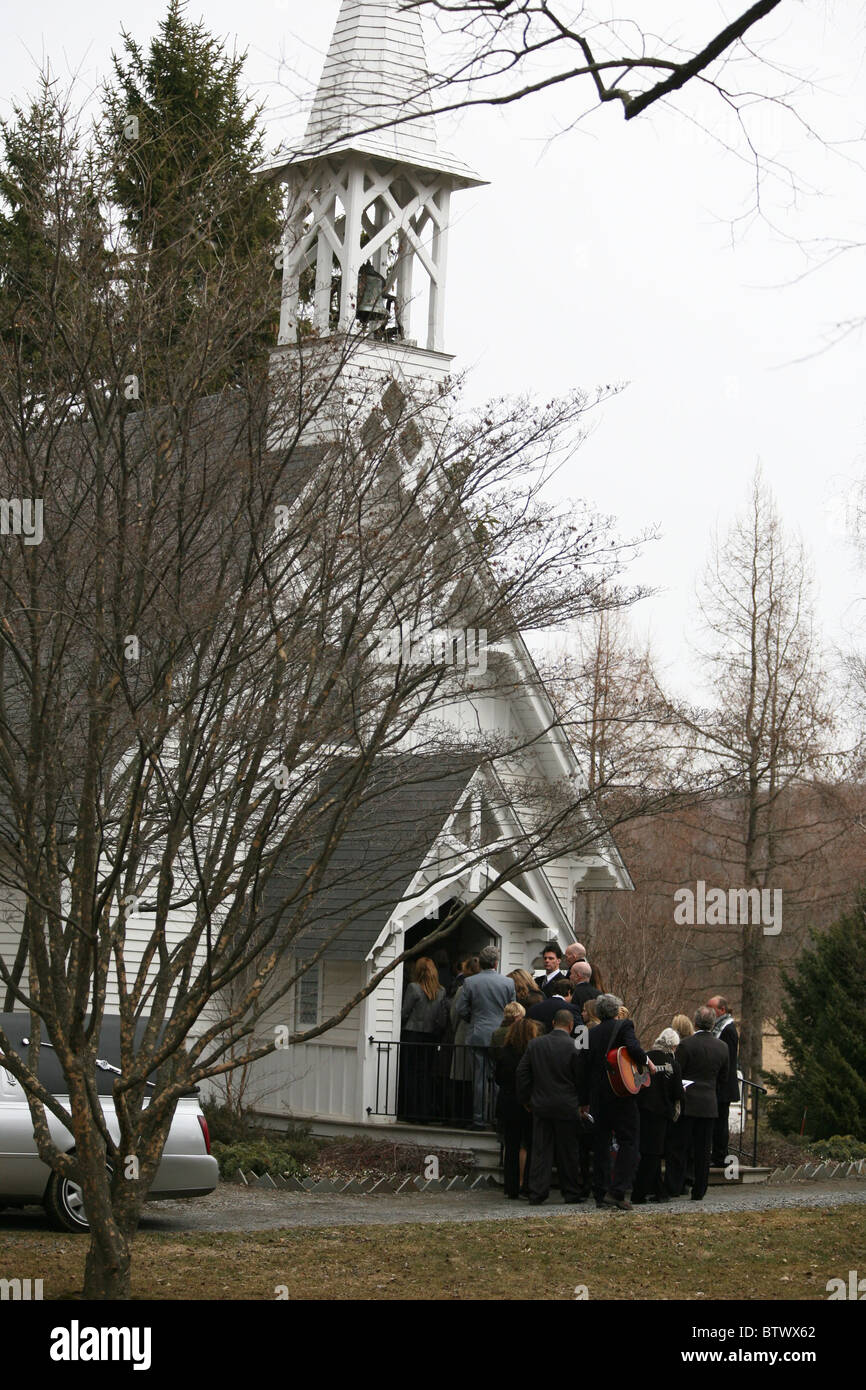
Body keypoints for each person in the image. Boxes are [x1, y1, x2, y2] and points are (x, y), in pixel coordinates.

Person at [578, 993, 656, 1211]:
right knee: (629, 1140)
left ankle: (600, 1192)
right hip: (621, 1095)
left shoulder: (588, 1034)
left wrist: (583, 1101)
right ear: (616, 1011)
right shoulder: (624, 1026)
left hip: (597, 1097)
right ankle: (618, 1190)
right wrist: (647, 1062)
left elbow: (581, 1067)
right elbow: (633, 1048)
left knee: (601, 1144)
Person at [516, 1009, 585, 1204]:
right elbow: (581, 1079)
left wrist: (526, 1099)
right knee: (568, 1151)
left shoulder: (535, 1044)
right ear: (571, 1026)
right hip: (567, 1105)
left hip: (541, 1104)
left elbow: (522, 1073)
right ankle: (571, 1192)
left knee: (540, 1150)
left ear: (553, 1022)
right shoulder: (575, 1047)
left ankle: (537, 1192)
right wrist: (582, 1103)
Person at [667, 1006, 729, 1201]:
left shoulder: (686, 1045)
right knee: (703, 1150)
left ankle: (675, 1186)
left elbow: (677, 1073)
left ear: (695, 1023)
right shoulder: (722, 1047)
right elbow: (723, 1077)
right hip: (709, 1103)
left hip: (688, 1102)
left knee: (679, 1146)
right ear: (712, 1024)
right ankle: (699, 1189)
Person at [456, 945, 516, 1129]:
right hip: (500, 1036)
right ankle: (498, 1117)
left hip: (478, 1033)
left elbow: (461, 1009)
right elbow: (513, 1010)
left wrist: (473, 1019)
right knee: (499, 1079)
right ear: (496, 963)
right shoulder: (508, 983)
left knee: (480, 1079)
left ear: (480, 963)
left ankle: (479, 1119)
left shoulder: (470, 982)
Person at [632, 1028, 683, 1204]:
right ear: (672, 1046)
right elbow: (677, 1092)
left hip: (641, 1109)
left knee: (647, 1151)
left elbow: (636, 1082)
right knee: (653, 1154)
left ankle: (660, 1192)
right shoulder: (673, 1064)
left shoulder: (644, 1058)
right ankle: (638, 1193)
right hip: (661, 1112)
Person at [495, 1016, 542, 1198]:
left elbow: (498, 1077)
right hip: (528, 1103)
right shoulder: (533, 1053)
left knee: (511, 1146)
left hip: (508, 1102)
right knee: (530, 1145)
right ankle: (527, 1184)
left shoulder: (504, 1052)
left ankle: (511, 1186)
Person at [398, 956, 448, 1122]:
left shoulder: (413, 988)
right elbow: (442, 1016)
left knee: (410, 1073)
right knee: (426, 1075)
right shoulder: (441, 991)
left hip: (412, 1034)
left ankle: (410, 1112)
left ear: (418, 970)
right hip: (431, 1036)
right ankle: (424, 1112)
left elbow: (404, 1012)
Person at [707, 995, 741, 1167]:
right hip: (719, 1084)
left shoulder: (727, 1029)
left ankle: (720, 1156)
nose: (708, 1010)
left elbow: (728, 1058)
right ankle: (718, 1154)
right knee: (717, 1122)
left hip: (723, 1085)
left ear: (721, 1010)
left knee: (720, 1123)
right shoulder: (719, 1028)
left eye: (711, 1007)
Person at [447, 956, 480, 1123]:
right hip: (478, 1034)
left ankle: (460, 1116)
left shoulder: (463, 989)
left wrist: (456, 1028)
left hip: (463, 1033)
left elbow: (455, 1012)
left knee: (461, 1077)